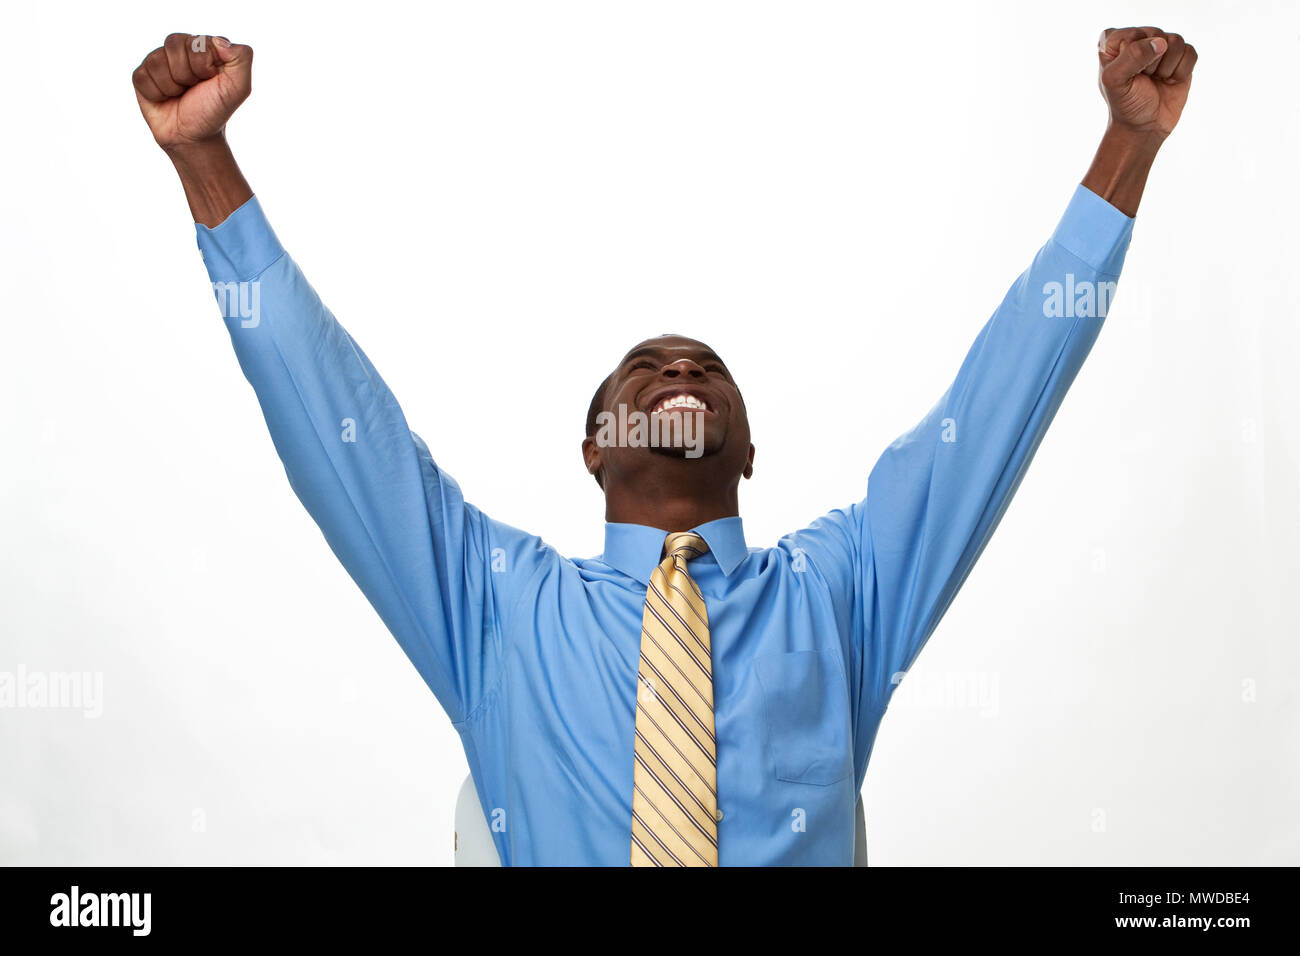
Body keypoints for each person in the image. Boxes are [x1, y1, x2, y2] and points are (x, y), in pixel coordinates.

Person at [133, 26, 1196, 866]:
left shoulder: (840, 589)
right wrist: (204, 160)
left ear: (748, 449)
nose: (680, 370)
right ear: (593, 447)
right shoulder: (496, 606)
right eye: (645, 368)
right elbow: (332, 422)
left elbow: (1001, 398)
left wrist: (1128, 146)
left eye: (704, 366)